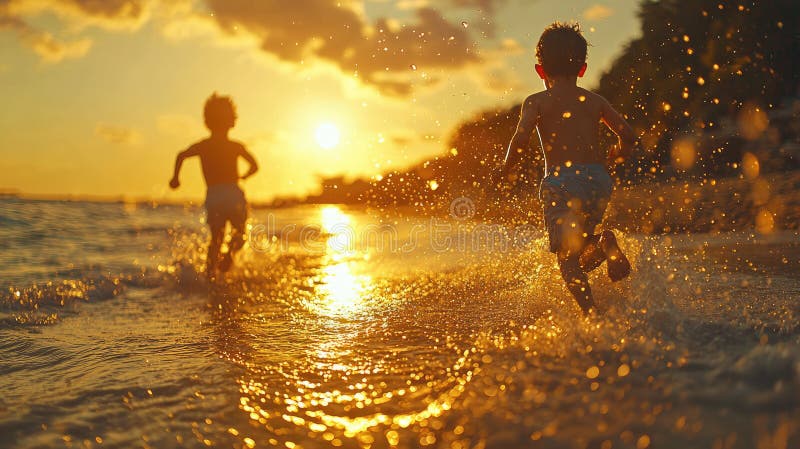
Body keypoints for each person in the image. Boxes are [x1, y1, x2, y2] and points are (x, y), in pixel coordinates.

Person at [499, 22, 636, 314]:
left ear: (540, 70)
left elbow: (520, 138)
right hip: (598, 181)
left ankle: (590, 315)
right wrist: (619, 152)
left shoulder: (536, 101)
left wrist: (506, 167)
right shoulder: (594, 100)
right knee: (582, 249)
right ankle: (602, 245)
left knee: (567, 258)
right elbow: (628, 134)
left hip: (562, 182)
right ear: (583, 69)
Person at [169, 93, 258, 278]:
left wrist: (176, 178)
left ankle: (210, 277)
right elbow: (255, 166)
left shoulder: (204, 146)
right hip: (233, 193)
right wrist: (245, 175)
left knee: (216, 239)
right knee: (240, 234)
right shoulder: (235, 146)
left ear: (207, 121)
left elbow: (181, 155)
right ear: (232, 121)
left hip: (214, 195)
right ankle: (227, 261)